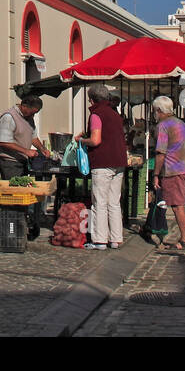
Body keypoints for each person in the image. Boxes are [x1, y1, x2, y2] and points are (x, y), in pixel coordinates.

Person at [76, 85, 127, 249]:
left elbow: (96, 140)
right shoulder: (115, 114)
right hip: (119, 162)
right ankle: (116, 238)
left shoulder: (96, 114)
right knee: (114, 202)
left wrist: (82, 140)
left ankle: (99, 240)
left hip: (103, 162)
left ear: (92, 99)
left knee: (99, 202)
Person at [150, 96, 185, 249]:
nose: (153, 113)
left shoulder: (163, 125)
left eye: (154, 110)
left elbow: (160, 152)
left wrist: (155, 174)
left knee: (177, 205)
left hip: (173, 169)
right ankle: (153, 227)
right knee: (174, 202)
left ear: (159, 110)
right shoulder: (180, 123)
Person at [0, 94, 51, 181]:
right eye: (32, 113)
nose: (33, 116)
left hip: (22, 160)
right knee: (15, 189)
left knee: (23, 188)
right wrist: (26, 151)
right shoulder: (9, 117)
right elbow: (4, 142)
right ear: (24, 106)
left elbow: (33, 137)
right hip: (10, 161)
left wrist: (42, 149)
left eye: (35, 113)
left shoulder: (29, 118)